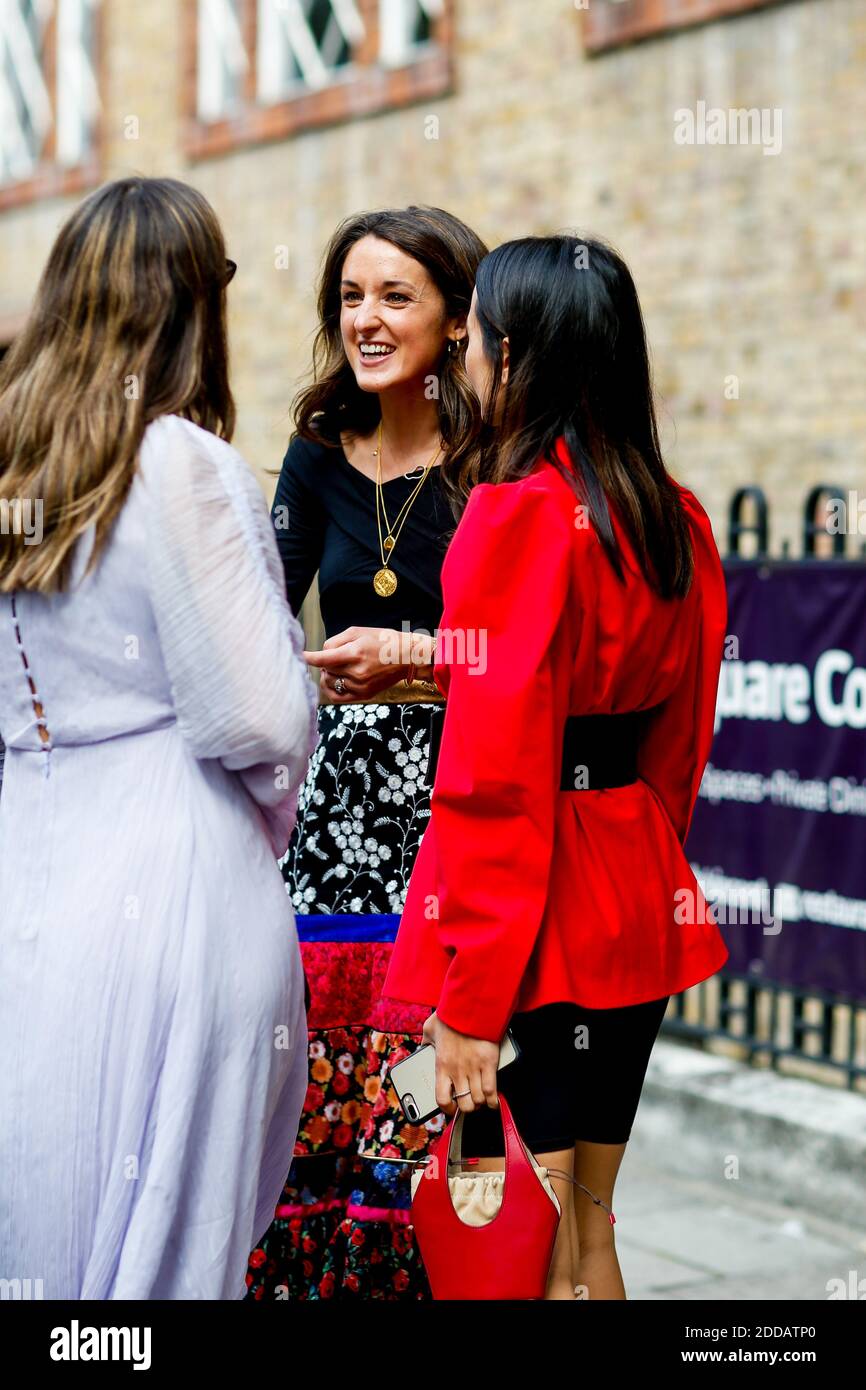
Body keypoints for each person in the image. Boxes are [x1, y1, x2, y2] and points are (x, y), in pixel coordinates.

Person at [382, 234, 730, 1301]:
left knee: (508, 1249)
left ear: (514, 353)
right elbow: (682, 738)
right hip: (631, 883)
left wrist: (471, 1001)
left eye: (477, 332)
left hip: (530, 919)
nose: (466, 357)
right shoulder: (670, 514)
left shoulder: (516, 515)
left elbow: (492, 774)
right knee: (584, 1239)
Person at [0, 176, 319, 1299]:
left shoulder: (13, 462)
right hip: (172, 869)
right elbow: (257, 715)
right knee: (170, 1240)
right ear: (195, 302)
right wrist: (271, 803)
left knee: (42, 1203)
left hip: (28, 856)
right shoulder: (179, 461)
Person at [245, 207, 488, 1300]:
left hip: (454, 802)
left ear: (453, 318)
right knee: (318, 1074)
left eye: (397, 297)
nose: (367, 319)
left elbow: (527, 657)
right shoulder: (313, 449)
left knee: (422, 1083)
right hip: (335, 811)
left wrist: (417, 659)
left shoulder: (495, 462)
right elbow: (261, 624)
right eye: (351, 296)